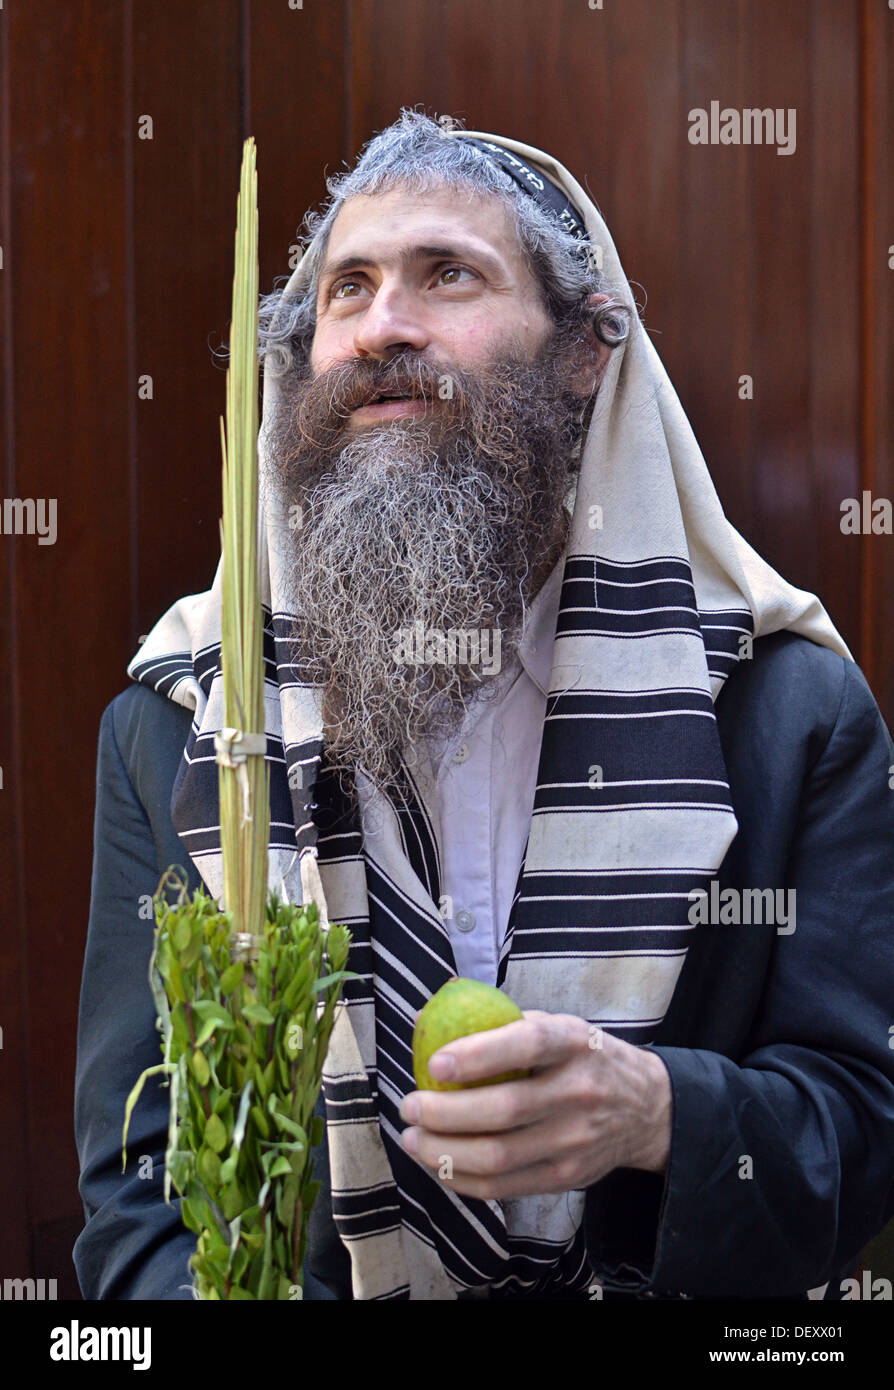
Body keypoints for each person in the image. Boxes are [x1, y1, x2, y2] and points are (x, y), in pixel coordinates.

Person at [74, 109, 894, 1301]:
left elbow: (863, 1130)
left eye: (447, 273)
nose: (383, 327)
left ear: (587, 352)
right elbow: (140, 1186)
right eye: (348, 289)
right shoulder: (185, 725)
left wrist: (657, 1115)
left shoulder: (781, 709)